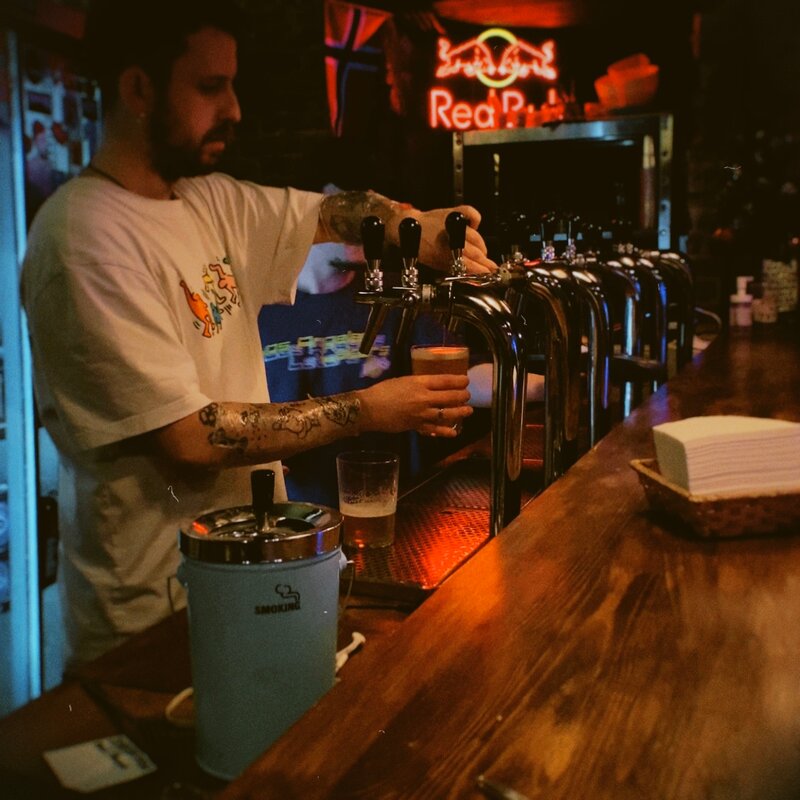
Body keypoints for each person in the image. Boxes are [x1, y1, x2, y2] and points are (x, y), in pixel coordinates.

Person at [20, 0, 496, 668]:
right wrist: (368, 408)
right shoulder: (85, 237)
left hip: (240, 581)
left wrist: (411, 225)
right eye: (210, 87)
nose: (235, 109)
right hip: (152, 621)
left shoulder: (204, 199)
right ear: (138, 89)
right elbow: (192, 435)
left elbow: (330, 213)